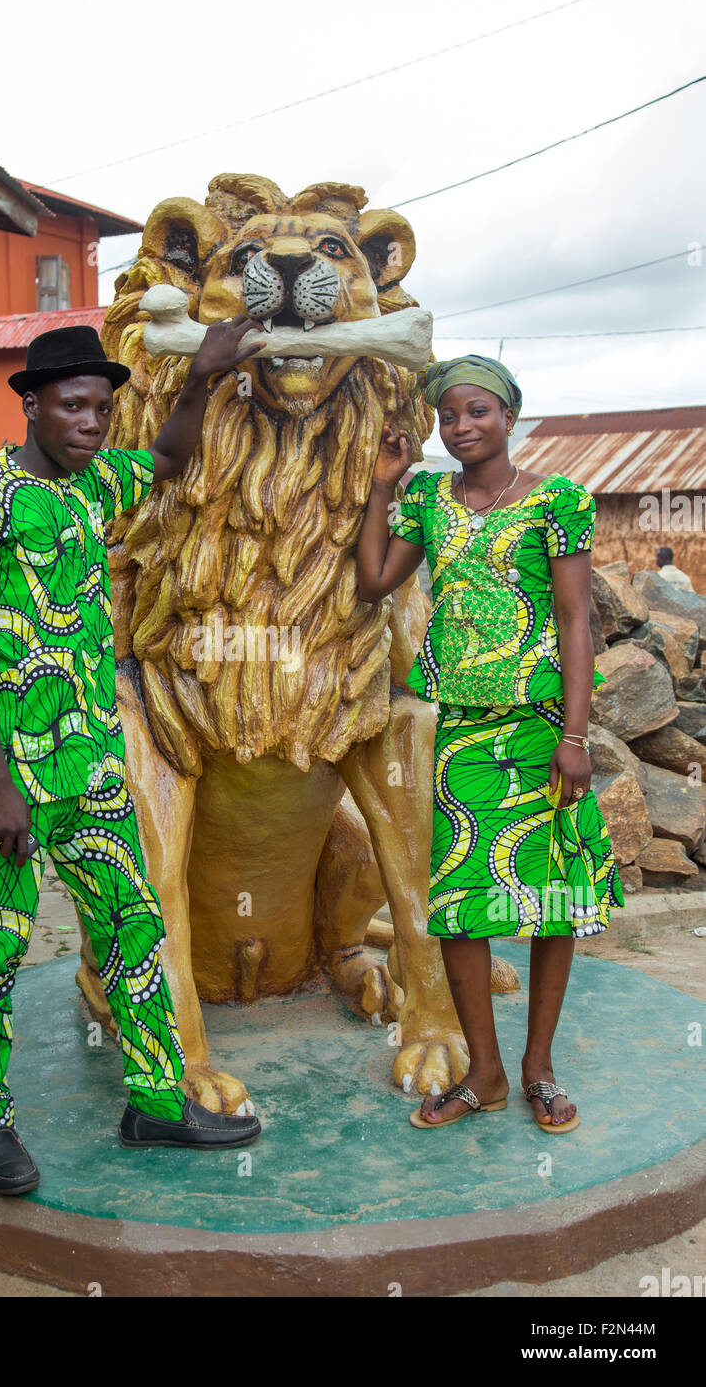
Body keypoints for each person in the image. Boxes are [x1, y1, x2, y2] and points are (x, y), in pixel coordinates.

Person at [0, 321, 263, 1195]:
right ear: (31, 404)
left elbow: (167, 459)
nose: (91, 423)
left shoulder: (93, 488)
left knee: (135, 927)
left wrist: (199, 379)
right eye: (73, 406)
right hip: (18, 776)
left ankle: (155, 1099)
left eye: (101, 409)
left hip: (94, 766)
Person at [356, 354, 623, 1134]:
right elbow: (373, 581)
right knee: (462, 907)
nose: (461, 425)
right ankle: (487, 1073)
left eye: (476, 411)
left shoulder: (556, 502)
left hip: (540, 727)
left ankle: (538, 1068)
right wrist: (381, 486)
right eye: (449, 415)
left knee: (550, 906)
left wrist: (575, 736)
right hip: (464, 732)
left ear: (508, 414)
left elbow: (576, 623)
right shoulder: (428, 501)